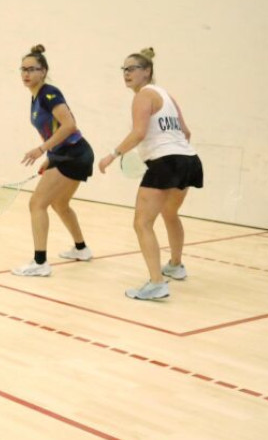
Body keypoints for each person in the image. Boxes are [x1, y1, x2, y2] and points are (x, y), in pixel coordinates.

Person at [98, 47, 203, 300]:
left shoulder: (143, 96)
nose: (126, 73)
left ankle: (157, 283)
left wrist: (112, 155)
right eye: (124, 69)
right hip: (189, 160)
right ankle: (175, 266)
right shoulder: (166, 95)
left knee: (142, 223)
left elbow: (139, 133)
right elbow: (186, 132)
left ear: (147, 71)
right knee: (170, 213)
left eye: (132, 69)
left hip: (166, 162)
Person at [11, 44, 95, 277]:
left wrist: (41, 149)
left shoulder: (49, 93)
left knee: (37, 204)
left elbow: (69, 125)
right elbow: (53, 131)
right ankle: (81, 249)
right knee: (60, 203)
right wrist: (50, 158)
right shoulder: (36, 97)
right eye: (23, 69)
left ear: (44, 71)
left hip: (74, 154)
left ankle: (40, 263)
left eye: (32, 69)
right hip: (66, 154)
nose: (26, 74)